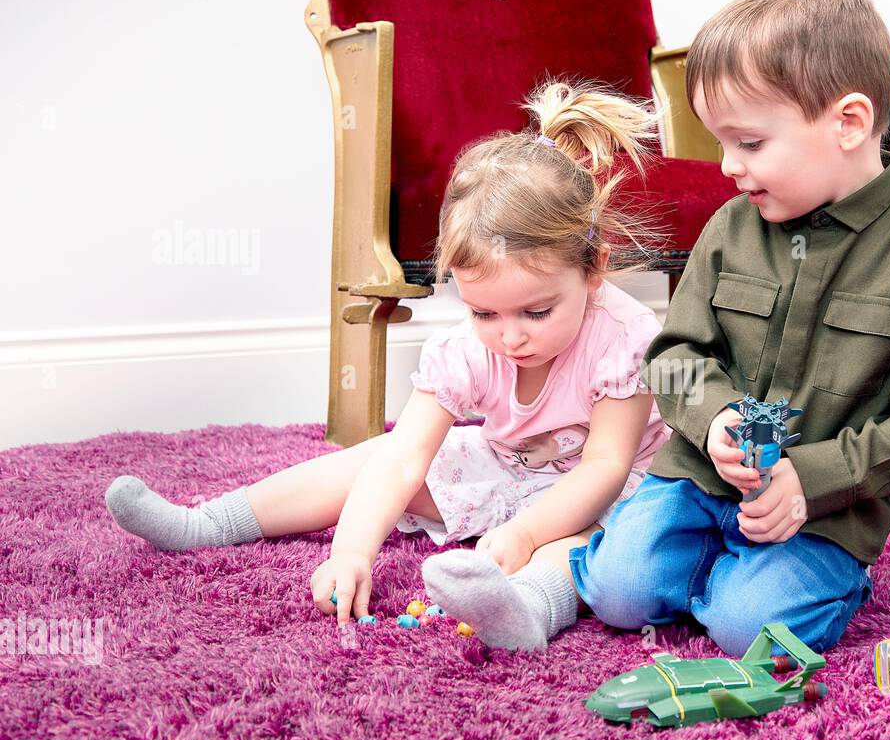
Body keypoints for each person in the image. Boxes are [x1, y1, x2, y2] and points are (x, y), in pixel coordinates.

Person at [424, 0, 890, 656]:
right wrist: (715, 415)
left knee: (749, 629)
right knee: (621, 591)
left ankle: (802, 584)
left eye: (749, 143)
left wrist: (812, 480)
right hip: (695, 478)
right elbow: (676, 354)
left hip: (822, 514)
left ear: (848, 123)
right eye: (721, 142)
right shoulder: (729, 230)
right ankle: (537, 600)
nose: (727, 165)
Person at [106, 78, 671, 637]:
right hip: (513, 464)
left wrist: (524, 535)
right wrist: (351, 551)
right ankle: (209, 522)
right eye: (484, 313)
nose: (509, 338)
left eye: (536, 313)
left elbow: (605, 466)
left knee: (601, 539)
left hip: (612, 485)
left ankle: (529, 607)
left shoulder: (623, 338)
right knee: (380, 457)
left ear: (593, 269)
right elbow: (404, 458)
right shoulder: (466, 349)